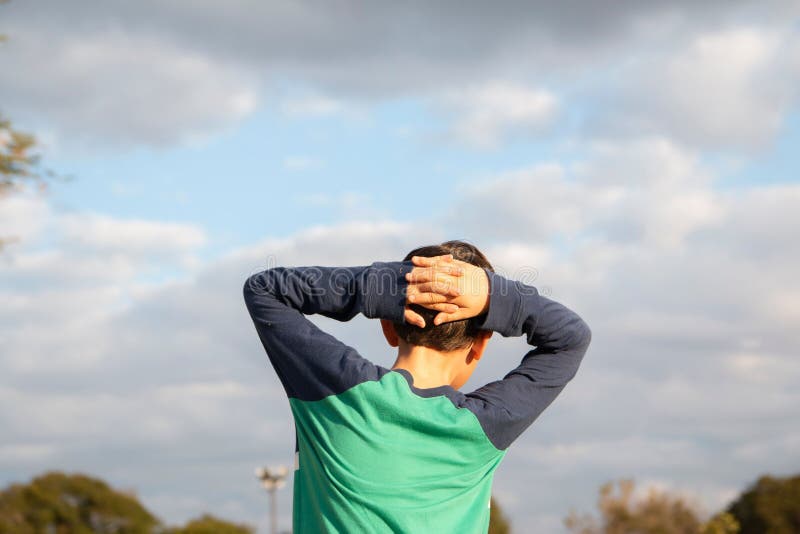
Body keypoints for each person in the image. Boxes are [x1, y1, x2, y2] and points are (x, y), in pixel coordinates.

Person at [243, 240, 591, 533]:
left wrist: (383, 285)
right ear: (481, 342)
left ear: (388, 328)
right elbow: (570, 339)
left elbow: (265, 290)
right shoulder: (486, 424)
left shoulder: (337, 395)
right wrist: (489, 294)